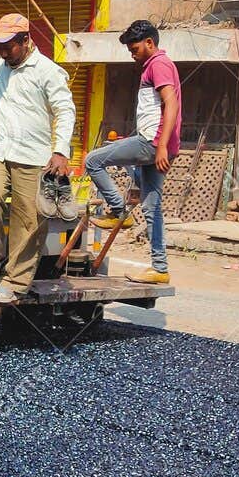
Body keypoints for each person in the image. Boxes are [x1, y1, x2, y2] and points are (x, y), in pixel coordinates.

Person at [0, 14, 76, 304]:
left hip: (32, 156)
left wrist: (61, 151)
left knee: (27, 220)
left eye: (8, 46)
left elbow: (65, 110)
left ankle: (15, 282)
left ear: (26, 40)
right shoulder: (4, 68)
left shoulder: (48, 71)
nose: (3, 52)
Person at [84, 19, 181, 285]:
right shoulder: (156, 65)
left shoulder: (159, 64)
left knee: (92, 160)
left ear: (149, 42)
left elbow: (171, 104)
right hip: (154, 142)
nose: (132, 54)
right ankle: (160, 268)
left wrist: (161, 146)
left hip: (152, 143)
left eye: (135, 49)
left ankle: (118, 211)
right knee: (152, 208)